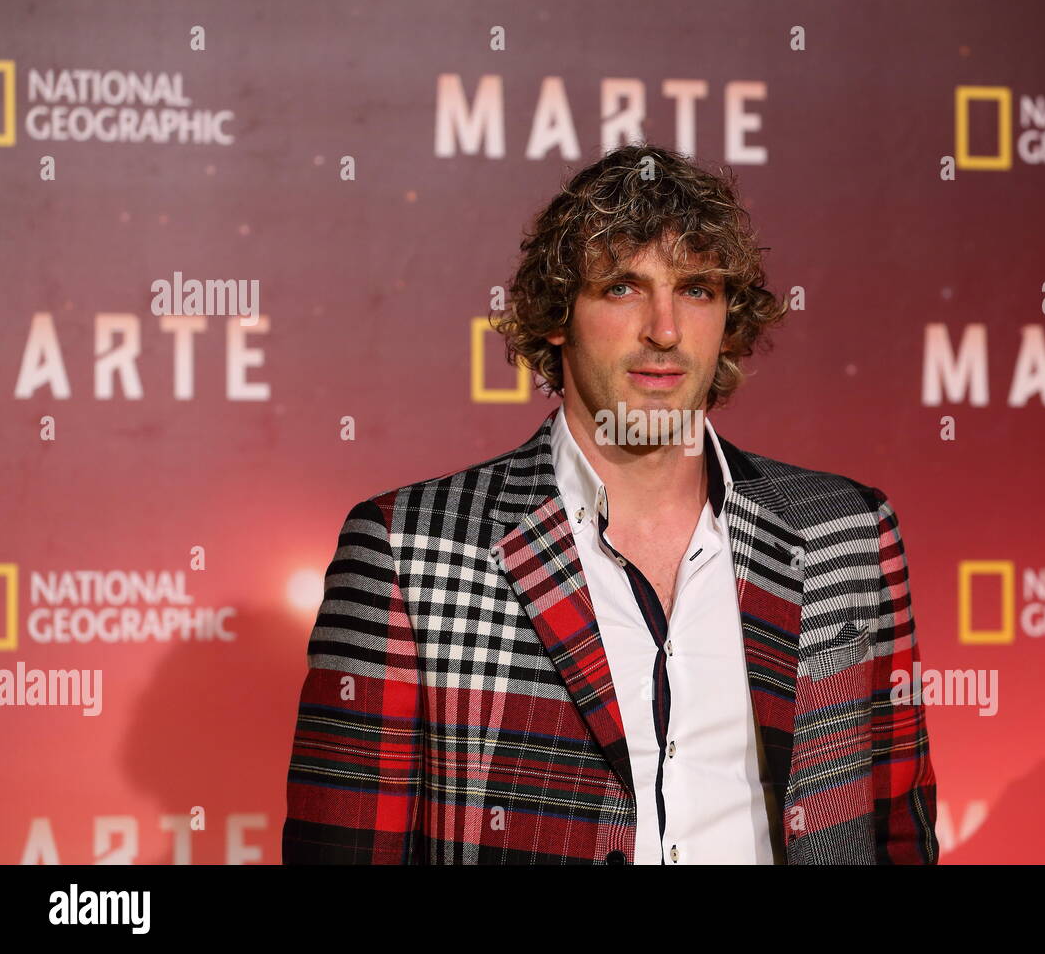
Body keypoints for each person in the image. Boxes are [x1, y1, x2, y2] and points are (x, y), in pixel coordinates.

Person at [282, 143, 938, 864]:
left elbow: (898, 831)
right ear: (556, 316)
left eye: (696, 289)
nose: (664, 329)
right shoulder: (409, 552)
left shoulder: (846, 532)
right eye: (623, 287)